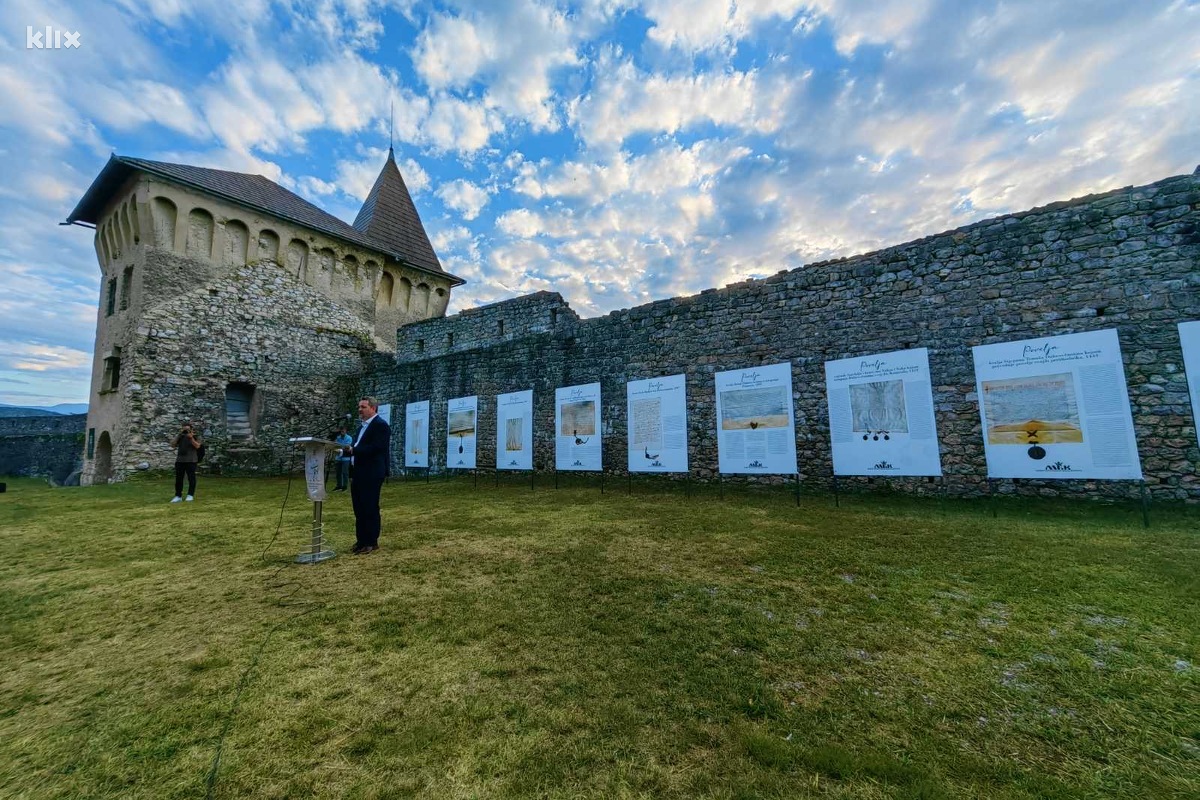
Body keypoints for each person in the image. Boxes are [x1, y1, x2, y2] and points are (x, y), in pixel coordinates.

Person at [343, 397, 390, 553]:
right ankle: (361, 541)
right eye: (359, 407)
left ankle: (371, 541)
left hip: (371, 473)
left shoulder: (380, 425)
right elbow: (356, 448)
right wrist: (344, 451)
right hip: (358, 473)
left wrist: (353, 450)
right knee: (359, 508)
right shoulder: (361, 428)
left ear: (373, 408)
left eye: (363, 407)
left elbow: (377, 448)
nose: (359, 410)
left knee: (369, 507)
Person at [171, 421, 202, 502]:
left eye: (187, 429)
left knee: (191, 478)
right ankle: (178, 496)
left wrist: (191, 438)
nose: (185, 431)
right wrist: (179, 435)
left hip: (191, 460)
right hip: (180, 460)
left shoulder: (196, 436)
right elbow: (172, 445)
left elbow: (197, 446)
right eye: (184, 429)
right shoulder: (180, 436)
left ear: (191, 429)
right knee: (178, 479)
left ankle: (190, 495)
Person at [333, 426, 352, 491]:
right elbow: (335, 445)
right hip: (338, 458)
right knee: (338, 473)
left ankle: (344, 486)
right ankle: (339, 485)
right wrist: (339, 448)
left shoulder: (349, 438)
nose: (342, 431)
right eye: (341, 430)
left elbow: (348, 447)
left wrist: (340, 448)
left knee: (345, 472)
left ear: (346, 430)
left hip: (346, 458)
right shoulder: (338, 437)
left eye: (343, 430)